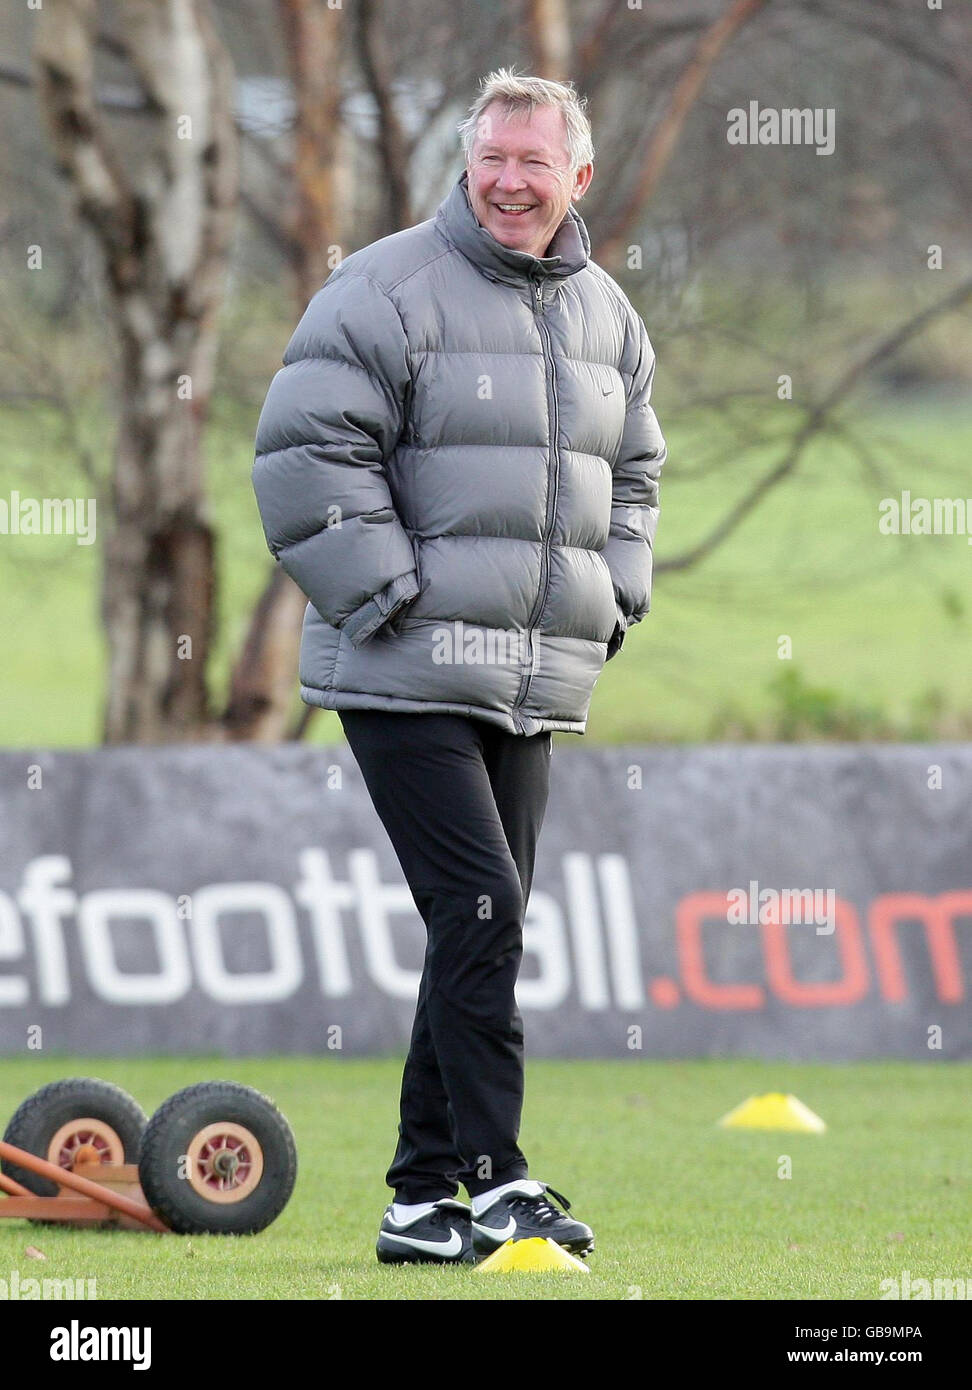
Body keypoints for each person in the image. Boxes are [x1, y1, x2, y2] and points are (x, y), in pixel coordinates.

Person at [252, 68, 666, 1265]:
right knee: (483, 912)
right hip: (405, 667)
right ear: (467, 162)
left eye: (536, 161)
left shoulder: (607, 317)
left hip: (533, 677)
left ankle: (421, 1199)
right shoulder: (381, 285)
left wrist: (612, 596)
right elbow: (301, 451)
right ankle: (498, 1179)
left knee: (477, 922)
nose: (510, 180)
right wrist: (392, 596)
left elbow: (636, 475)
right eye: (493, 157)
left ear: (576, 177)